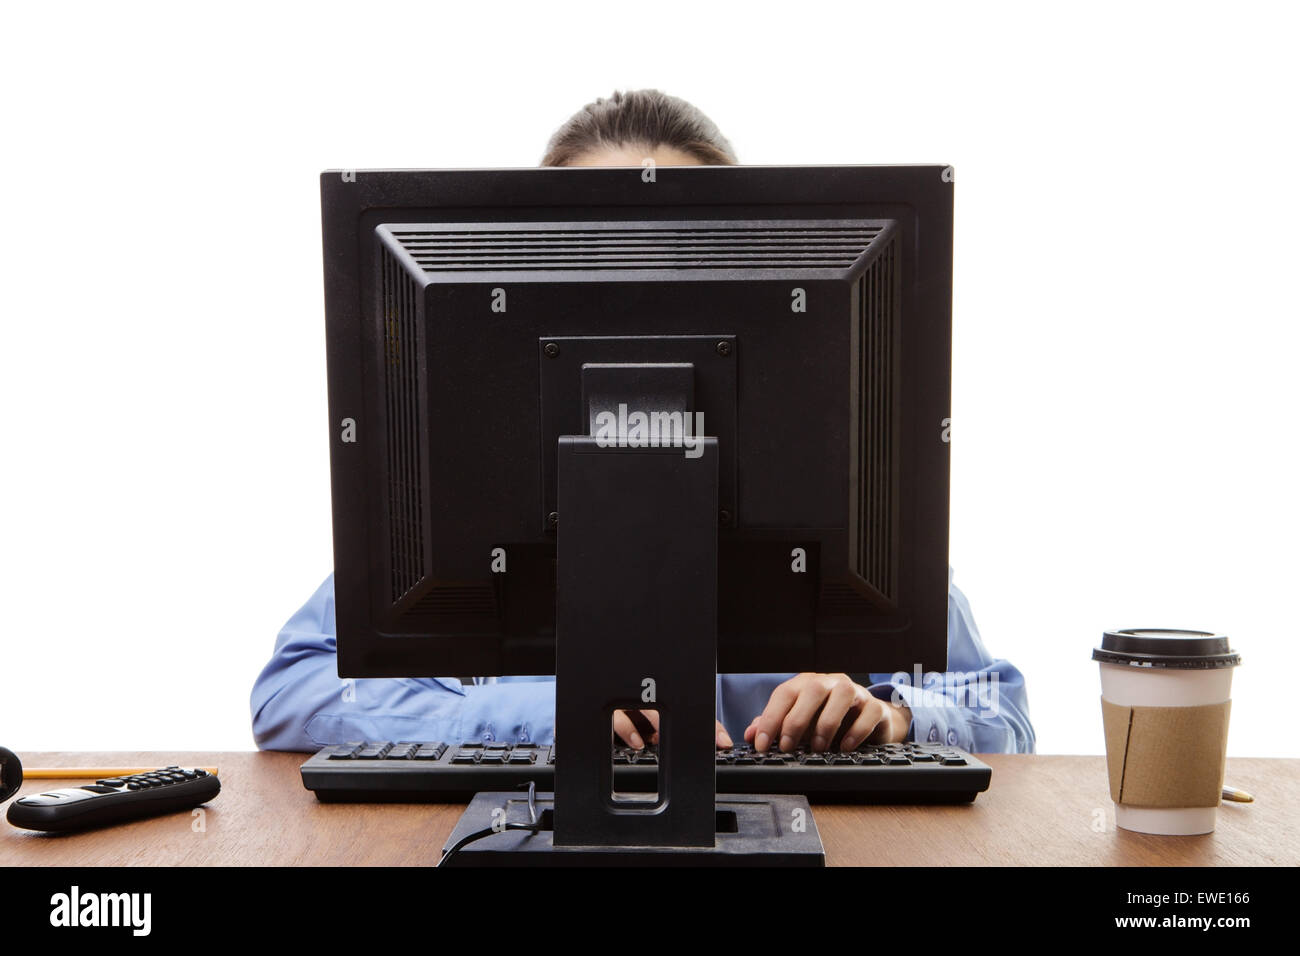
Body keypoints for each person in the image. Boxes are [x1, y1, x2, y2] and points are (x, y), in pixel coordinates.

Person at [251, 90, 1036, 757]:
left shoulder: (840, 485)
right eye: (595, 261)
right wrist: (545, 720)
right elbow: (294, 690)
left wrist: (895, 717)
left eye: (677, 258)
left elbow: (1002, 714)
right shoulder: (457, 496)